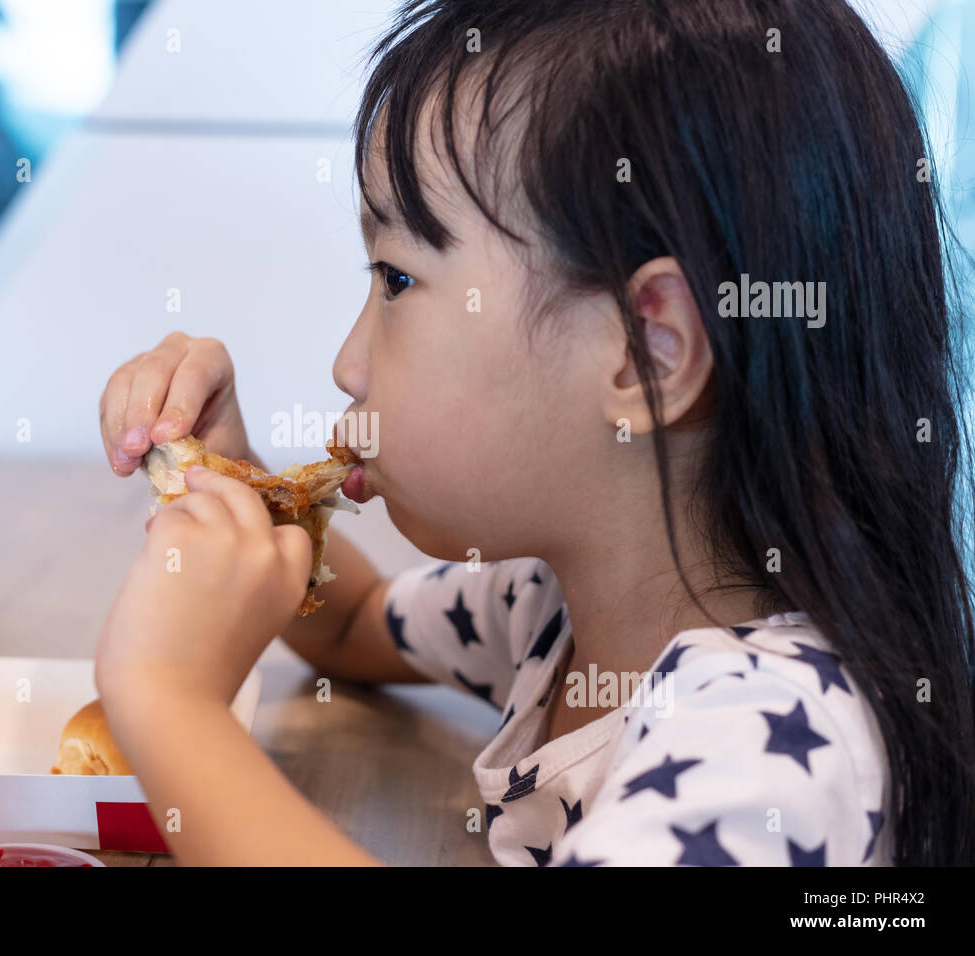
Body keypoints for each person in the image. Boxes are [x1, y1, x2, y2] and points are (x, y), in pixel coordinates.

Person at [93, 0, 975, 866]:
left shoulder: (769, 750)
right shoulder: (550, 616)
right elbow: (353, 620)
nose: (347, 364)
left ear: (644, 354)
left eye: (396, 280)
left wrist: (167, 702)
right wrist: (241, 484)